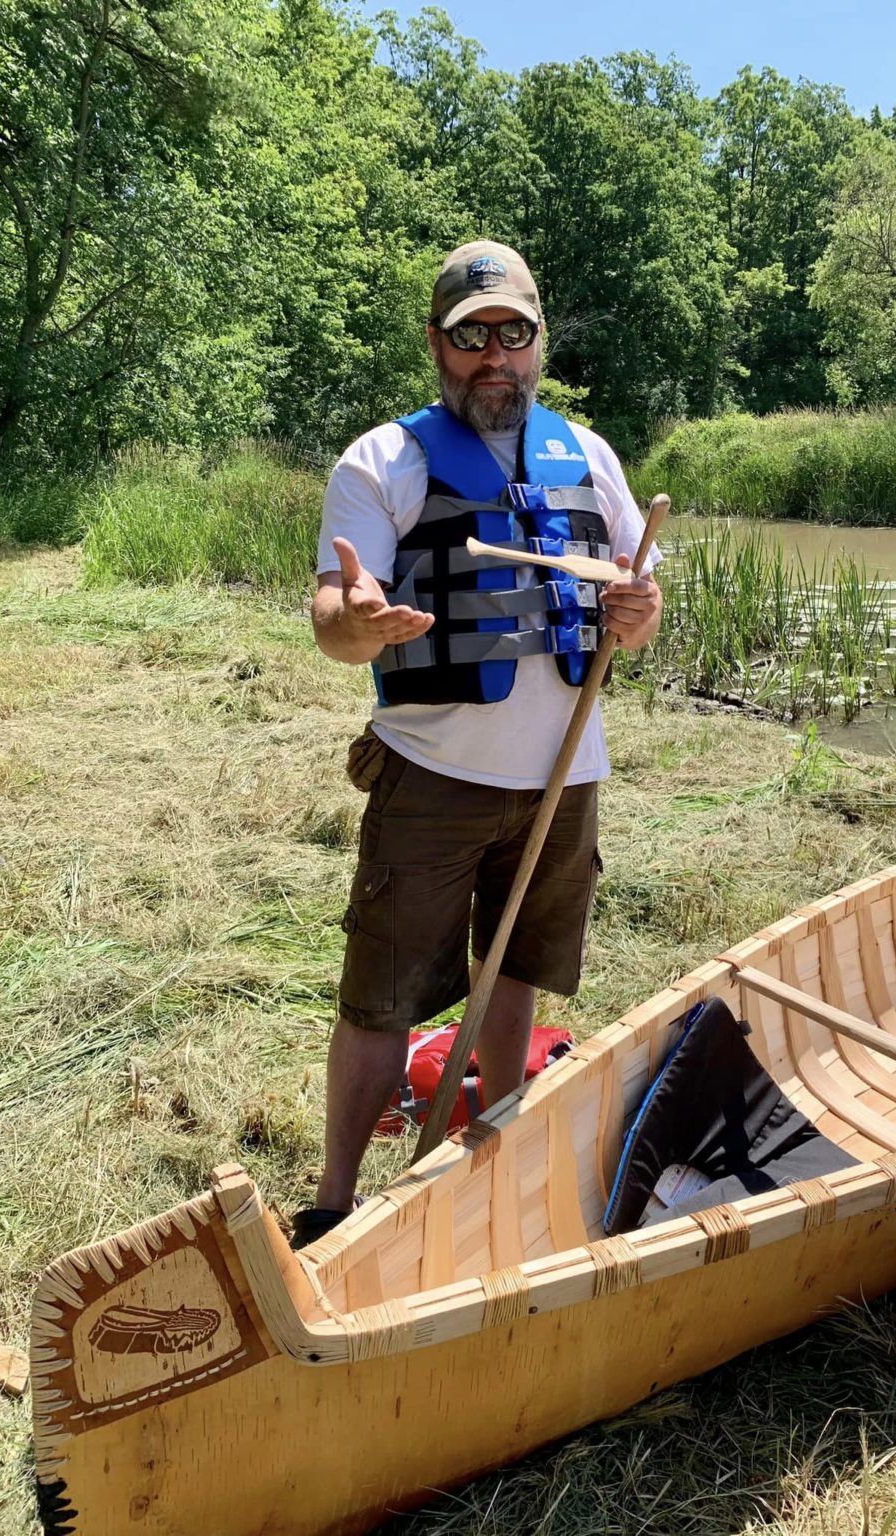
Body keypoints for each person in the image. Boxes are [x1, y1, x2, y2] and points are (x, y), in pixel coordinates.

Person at [296, 241, 662, 1248]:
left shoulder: (589, 456)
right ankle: (333, 1201)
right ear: (436, 344)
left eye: (513, 333)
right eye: (470, 337)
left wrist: (640, 613)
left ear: (540, 342)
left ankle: (500, 1167)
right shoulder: (382, 463)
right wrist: (357, 624)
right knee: (380, 998)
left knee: (516, 975)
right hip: (433, 776)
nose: (493, 356)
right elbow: (334, 618)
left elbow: (639, 597)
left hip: (564, 779)